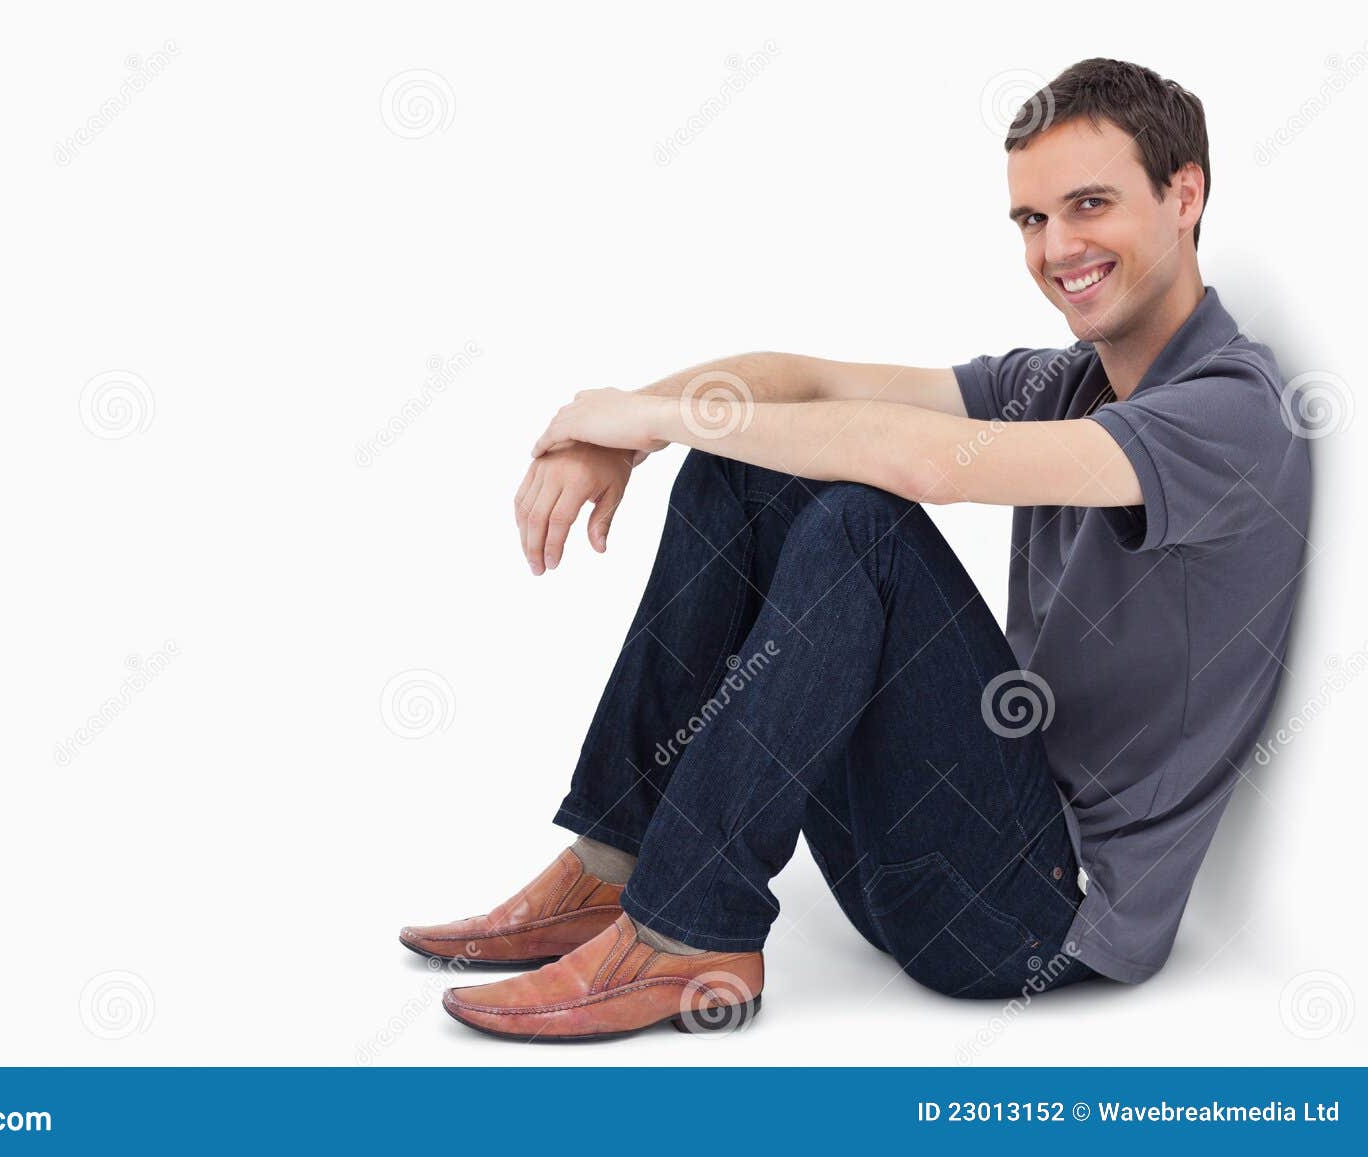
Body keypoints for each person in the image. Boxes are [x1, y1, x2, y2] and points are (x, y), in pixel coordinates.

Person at [400, 57, 1311, 1042]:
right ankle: (615, 865)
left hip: (1035, 920)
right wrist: (632, 426)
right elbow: (807, 384)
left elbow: (927, 467)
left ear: (1184, 195)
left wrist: (630, 412)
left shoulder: (1232, 412)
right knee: (740, 472)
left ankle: (686, 931)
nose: (1057, 247)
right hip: (932, 850)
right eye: (1031, 220)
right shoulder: (1065, 381)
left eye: (1088, 204)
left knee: (862, 527)